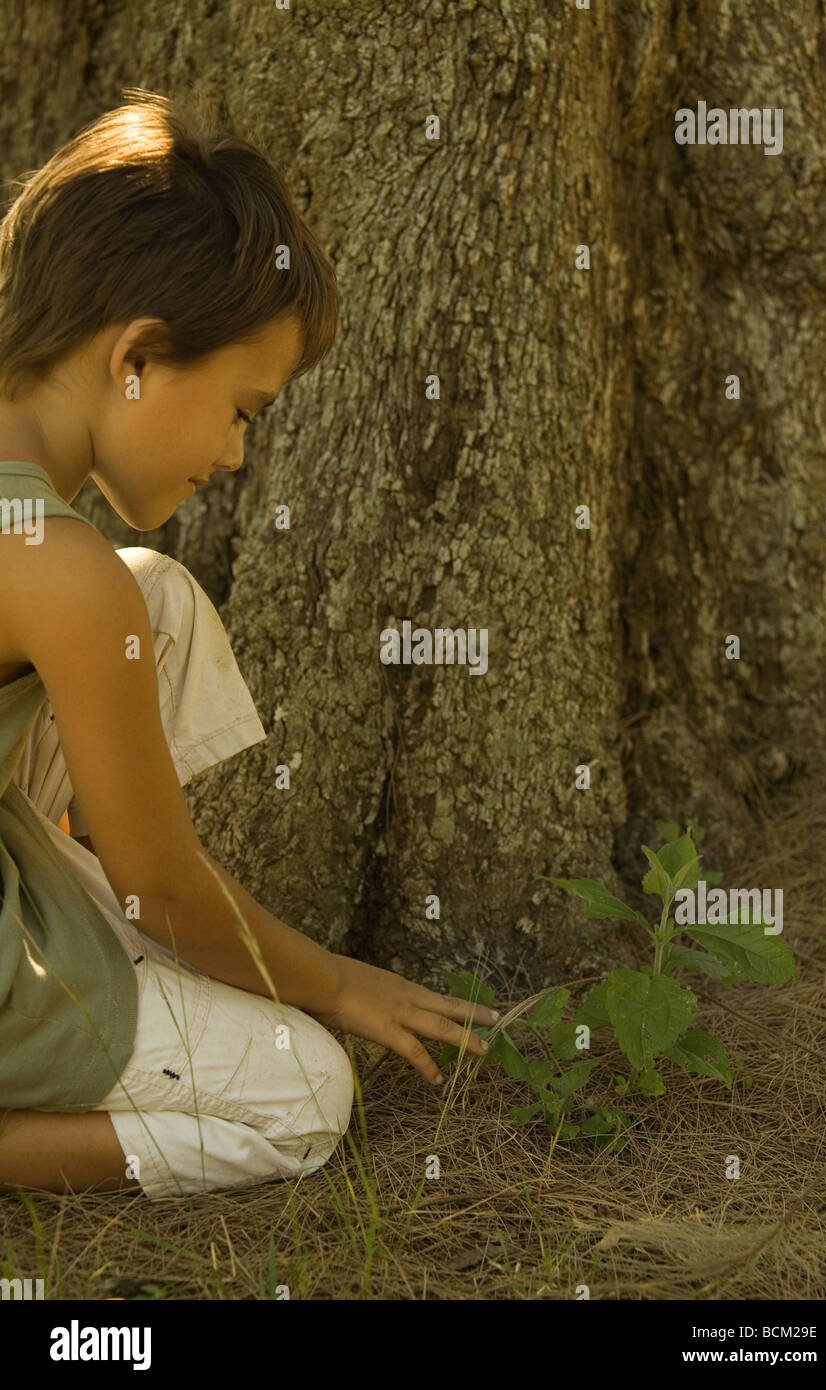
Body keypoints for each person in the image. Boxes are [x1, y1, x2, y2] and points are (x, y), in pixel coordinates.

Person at [0, 88, 497, 1199]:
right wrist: (336, 984)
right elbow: (162, 887)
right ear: (135, 356)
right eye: (242, 410)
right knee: (306, 1092)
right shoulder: (58, 571)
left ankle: (92, 941)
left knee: (158, 605)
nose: (234, 455)